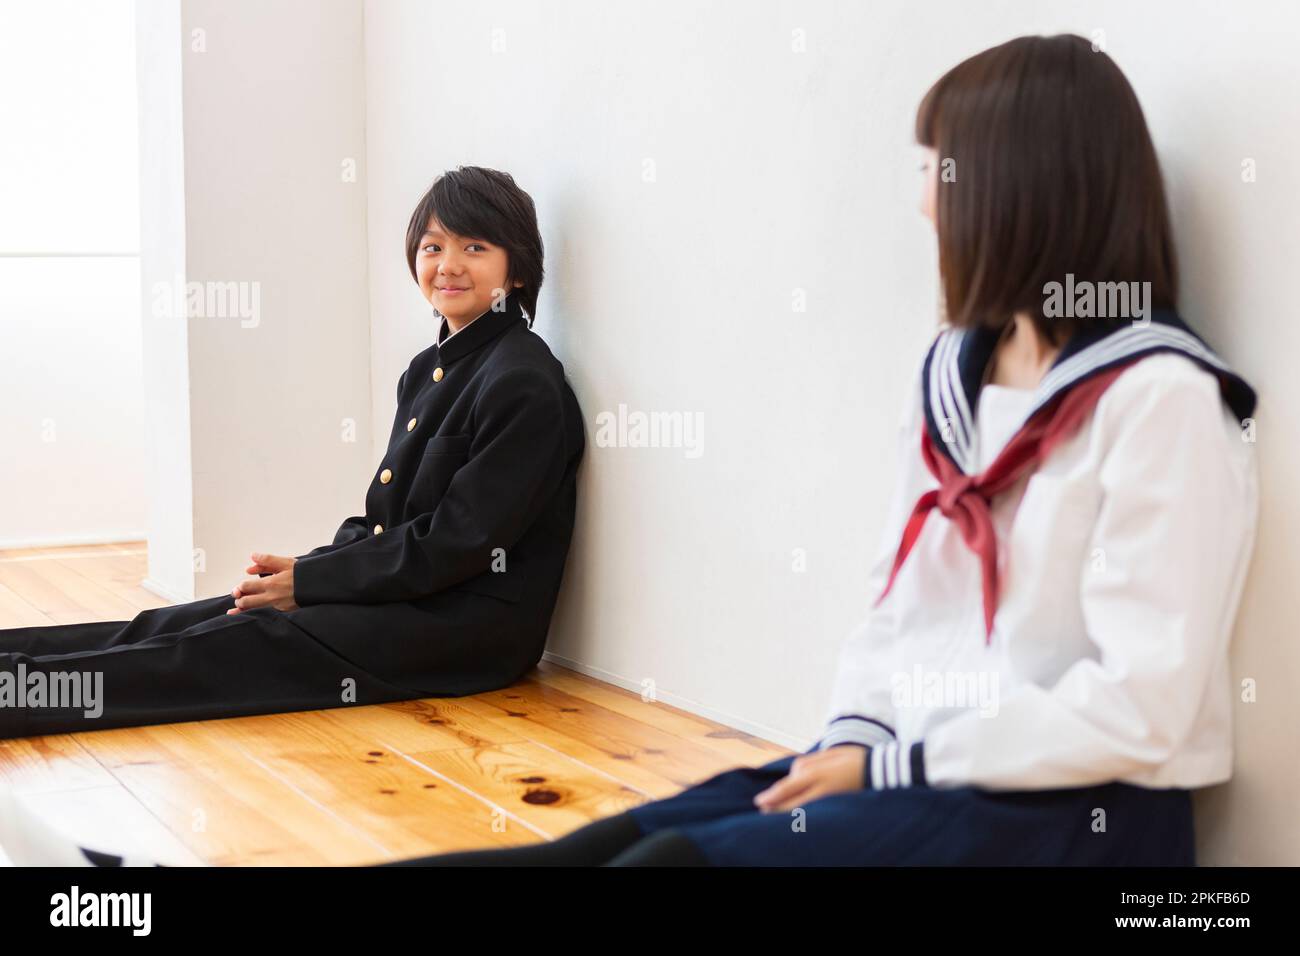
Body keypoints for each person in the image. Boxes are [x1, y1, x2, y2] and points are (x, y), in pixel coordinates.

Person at [0, 166, 586, 742]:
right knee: (191, 618)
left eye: (475, 247)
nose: (448, 265)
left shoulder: (522, 382)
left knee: (213, 649)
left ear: (514, 270)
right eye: (432, 246)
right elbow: (388, 518)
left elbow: (454, 544)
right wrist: (304, 571)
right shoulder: (428, 370)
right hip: (407, 594)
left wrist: (312, 583)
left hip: (462, 630)